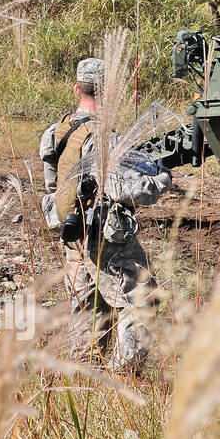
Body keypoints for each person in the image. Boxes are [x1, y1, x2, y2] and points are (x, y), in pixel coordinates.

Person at [40, 58, 170, 373]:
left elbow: (52, 185)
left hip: (71, 233)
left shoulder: (55, 132)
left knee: (87, 306)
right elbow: (127, 190)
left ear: (77, 89)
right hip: (105, 234)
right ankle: (127, 373)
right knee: (140, 299)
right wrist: (160, 179)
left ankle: (86, 376)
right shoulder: (104, 137)